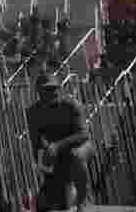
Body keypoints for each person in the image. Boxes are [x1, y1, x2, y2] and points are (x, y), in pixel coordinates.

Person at [27, 71, 92, 212]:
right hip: (55, 152)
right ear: (39, 92)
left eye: (55, 88)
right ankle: (60, 192)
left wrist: (57, 146)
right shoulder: (34, 112)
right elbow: (36, 142)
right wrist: (44, 163)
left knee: (77, 156)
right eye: (48, 89)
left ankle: (83, 199)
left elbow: (84, 134)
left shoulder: (71, 105)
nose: (54, 92)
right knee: (47, 203)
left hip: (80, 146)